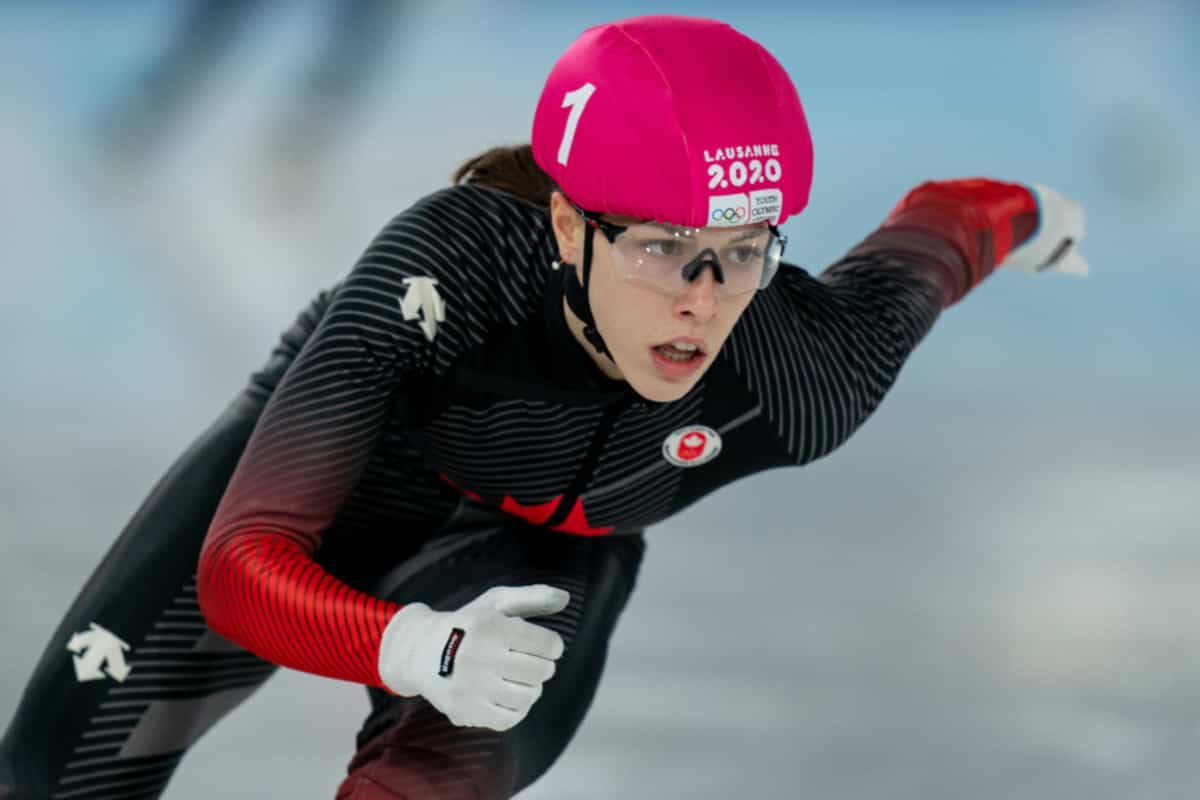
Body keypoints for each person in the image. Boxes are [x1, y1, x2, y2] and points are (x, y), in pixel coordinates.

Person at [0, 14, 1087, 800]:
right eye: (660, 245)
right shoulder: (446, 273)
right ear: (569, 227)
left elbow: (940, 236)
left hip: (534, 556)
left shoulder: (799, 369)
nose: (699, 300)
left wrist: (1035, 213)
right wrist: (413, 647)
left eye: (739, 253)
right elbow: (242, 571)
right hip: (347, 484)